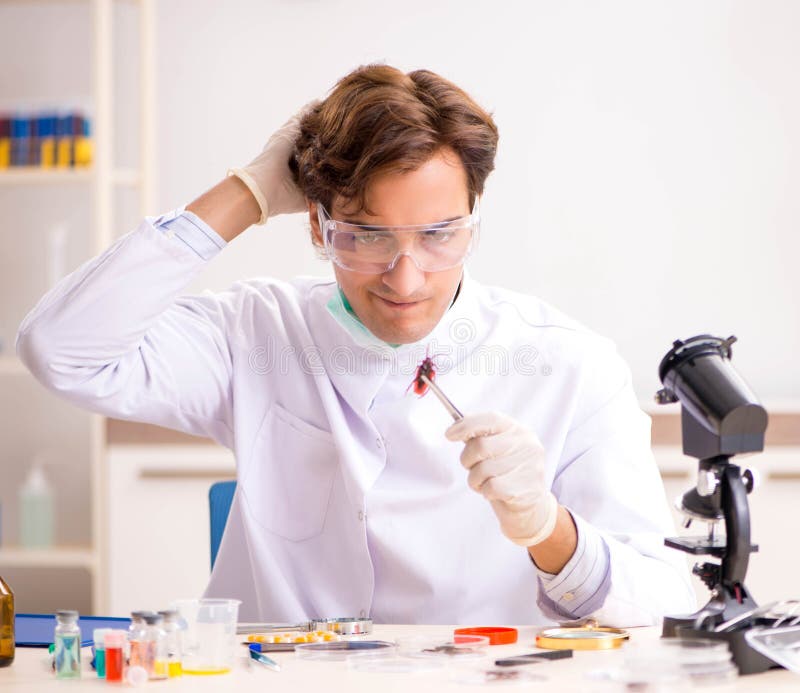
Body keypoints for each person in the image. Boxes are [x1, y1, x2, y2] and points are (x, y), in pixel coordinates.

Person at [17, 64, 695, 625]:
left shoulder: (570, 365)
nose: (406, 276)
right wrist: (248, 192)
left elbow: (665, 600)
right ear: (318, 225)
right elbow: (60, 348)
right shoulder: (257, 332)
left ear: (473, 221)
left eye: (439, 235)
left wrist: (548, 527)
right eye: (366, 236)